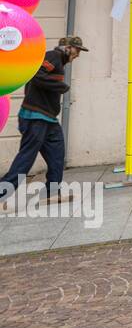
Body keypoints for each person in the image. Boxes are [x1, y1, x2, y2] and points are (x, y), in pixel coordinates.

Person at [1, 36, 88, 205]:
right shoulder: (53, 56)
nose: (78, 54)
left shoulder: (58, 62)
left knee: (57, 155)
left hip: (48, 118)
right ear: (67, 48)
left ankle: (51, 193)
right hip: (35, 117)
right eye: (77, 50)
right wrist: (62, 87)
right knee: (26, 159)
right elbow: (37, 75)